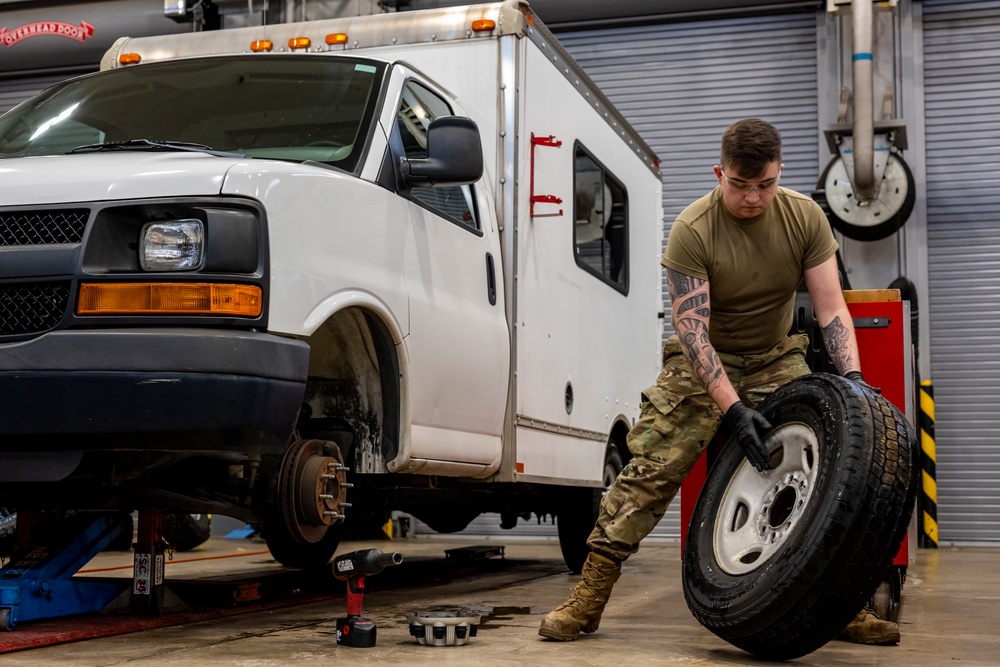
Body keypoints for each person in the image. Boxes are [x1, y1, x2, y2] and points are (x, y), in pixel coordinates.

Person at [538, 118, 899, 646]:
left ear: (780, 173)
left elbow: (831, 309)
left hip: (775, 357)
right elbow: (694, 334)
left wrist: (855, 381)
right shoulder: (693, 229)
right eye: (740, 184)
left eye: (765, 184)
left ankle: (837, 606)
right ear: (719, 173)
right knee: (650, 471)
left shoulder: (805, 218)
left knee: (827, 464)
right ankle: (588, 598)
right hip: (703, 359)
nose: (753, 198)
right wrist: (732, 408)